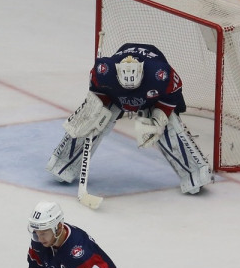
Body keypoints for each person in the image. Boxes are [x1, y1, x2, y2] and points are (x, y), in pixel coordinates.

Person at [46, 42, 212, 195]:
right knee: (90, 124)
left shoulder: (159, 74)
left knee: (168, 128)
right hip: (115, 96)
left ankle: (196, 174)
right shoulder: (104, 71)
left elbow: (173, 93)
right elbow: (96, 89)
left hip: (151, 98)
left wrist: (159, 118)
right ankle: (62, 166)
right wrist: (95, 110)